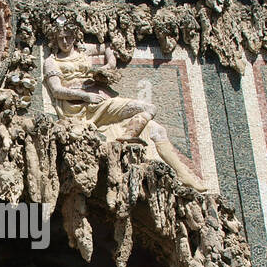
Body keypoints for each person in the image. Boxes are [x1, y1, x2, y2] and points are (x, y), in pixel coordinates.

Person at [43, 19, 209, 191]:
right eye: (61, 38)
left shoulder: (84, 50)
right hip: (78, 110)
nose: (65, 42)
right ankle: (127, 139)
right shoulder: (51, 61)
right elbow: (56, 90)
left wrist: (110, 65)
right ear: (55, 39)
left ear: (74, 37)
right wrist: (86, 96)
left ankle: (182, 173)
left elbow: (107, 46)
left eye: (68, 37)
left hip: (100, 103)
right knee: (148, 110)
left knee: (157, 128)